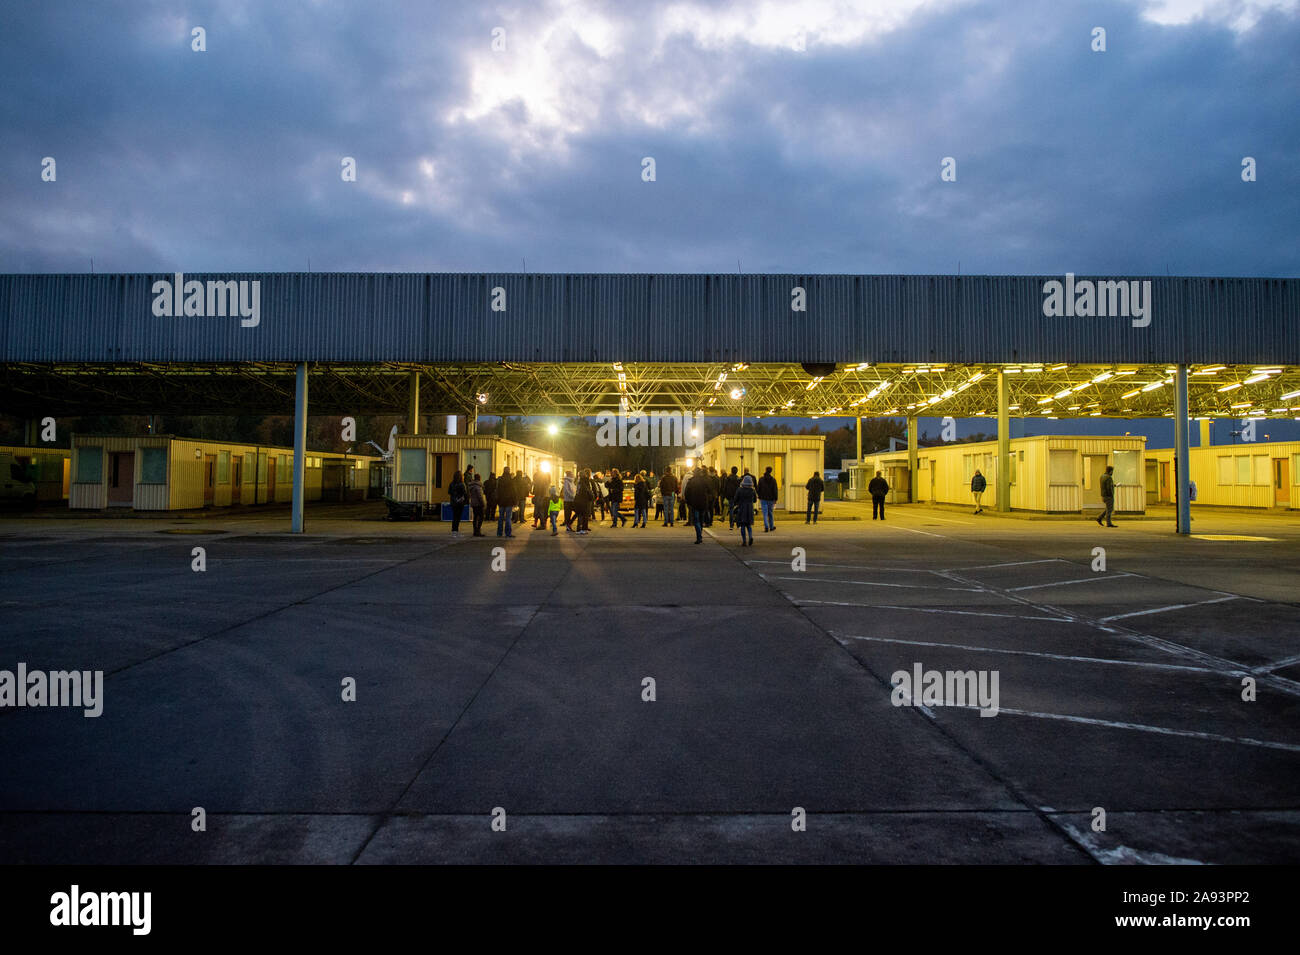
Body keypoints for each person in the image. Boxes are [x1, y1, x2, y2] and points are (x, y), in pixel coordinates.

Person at [684, 465, 712, 544]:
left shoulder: (691, 481)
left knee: (696, 520)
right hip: (703, 503)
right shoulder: (705, 481)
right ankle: (700, 535)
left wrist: (689, 502)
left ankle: (699, 536)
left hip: (694, 504)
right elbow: (710, 491)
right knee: (701, 519)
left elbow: (687, 493)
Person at [732, 473, 758, 546]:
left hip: (742, 508)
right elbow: (755, 500)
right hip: (749, 508)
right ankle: (750, 537)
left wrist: (737, 503)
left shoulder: (740, 489)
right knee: (749, 525)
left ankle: (744, 541)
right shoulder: (752, 490)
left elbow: (735, 499)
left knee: (742, 525)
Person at [757, 466, 779, 532]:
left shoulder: (761, 479)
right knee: (770, 513)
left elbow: (758, 489)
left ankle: (766, 526)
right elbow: (775, 490)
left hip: (763, 499)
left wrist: (759, 495)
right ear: (771, 471)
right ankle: (771, 526)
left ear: (765, 470)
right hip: (771, 499)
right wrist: (775, 499)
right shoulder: (773, 480)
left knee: (765, 513)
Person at [496, 466, 516, 538]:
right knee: (508, 518)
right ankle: (508, 533)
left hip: (501, 501)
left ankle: (499, 533)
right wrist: (515, 501)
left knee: (501, 518)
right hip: (509, 502)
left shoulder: (500, 480)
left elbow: (497, 491)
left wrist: (497, 500)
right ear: (509, 471)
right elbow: (513, 492)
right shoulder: (511, 480)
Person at [574, 468, 594, 534]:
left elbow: (578, 491)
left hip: (579, 500)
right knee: (584, 515)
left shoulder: (579, 482)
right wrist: (591, 496)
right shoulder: (585, 481)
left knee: (580, 515)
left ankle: (579, 528)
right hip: (584, 500)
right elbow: (587, 491)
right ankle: (581, 529)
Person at [448, 470, 467, 537]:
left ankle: (454, 531)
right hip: (460, 502)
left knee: (454, 517)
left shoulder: (451, 483)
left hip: (453, 502)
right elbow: (465, 493)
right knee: (458, 517)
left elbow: (449, 492)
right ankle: (455, 531)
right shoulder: (462, 484)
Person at [467, 471, 486, 536]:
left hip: (474, 503)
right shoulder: (478, 486)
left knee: (475, 517)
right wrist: (483, 503)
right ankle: (478, 531)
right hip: (479, 504)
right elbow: (480, 496)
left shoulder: (471, 486)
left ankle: (475, 531)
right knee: (481, 517)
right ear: (479, 478)